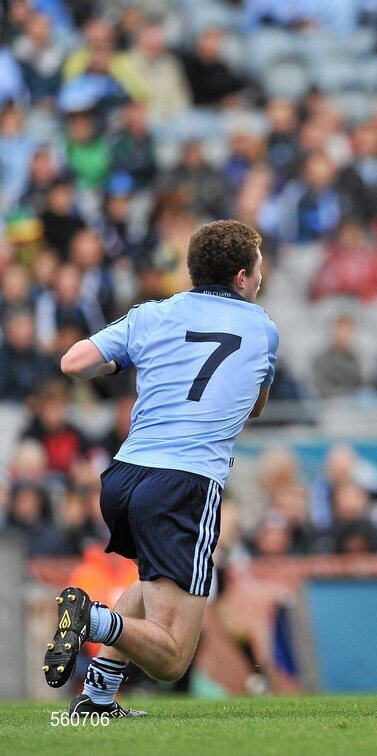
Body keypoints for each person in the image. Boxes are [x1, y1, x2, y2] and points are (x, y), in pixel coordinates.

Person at [43, 220, 279, 717]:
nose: (261, 278)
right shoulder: (262, 327)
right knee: (172, 658)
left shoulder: (153, 313)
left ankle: (97, 697)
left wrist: (124, 362)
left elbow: (73, 362)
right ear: (241, 277)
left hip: (123, 476)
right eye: (258, 269)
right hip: (184, 482)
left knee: (151, 580)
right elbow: (255, 406)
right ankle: (93, 620)